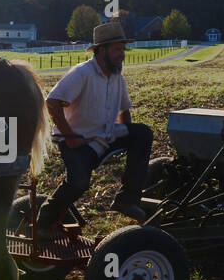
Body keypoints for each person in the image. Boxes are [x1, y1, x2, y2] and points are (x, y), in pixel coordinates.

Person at [36, 19, 153, 238]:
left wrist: (127, 136)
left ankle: (127, 199)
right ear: (101, 51)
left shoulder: (117, 77)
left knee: (142, 133)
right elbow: (52, 102)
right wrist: (70, 136)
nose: (122, 54)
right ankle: (43, 221)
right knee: (78, 183)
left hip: (105, 137)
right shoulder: (82, 73)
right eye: (117, 49)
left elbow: (124, 110)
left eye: (123, 49)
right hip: (79, 141)